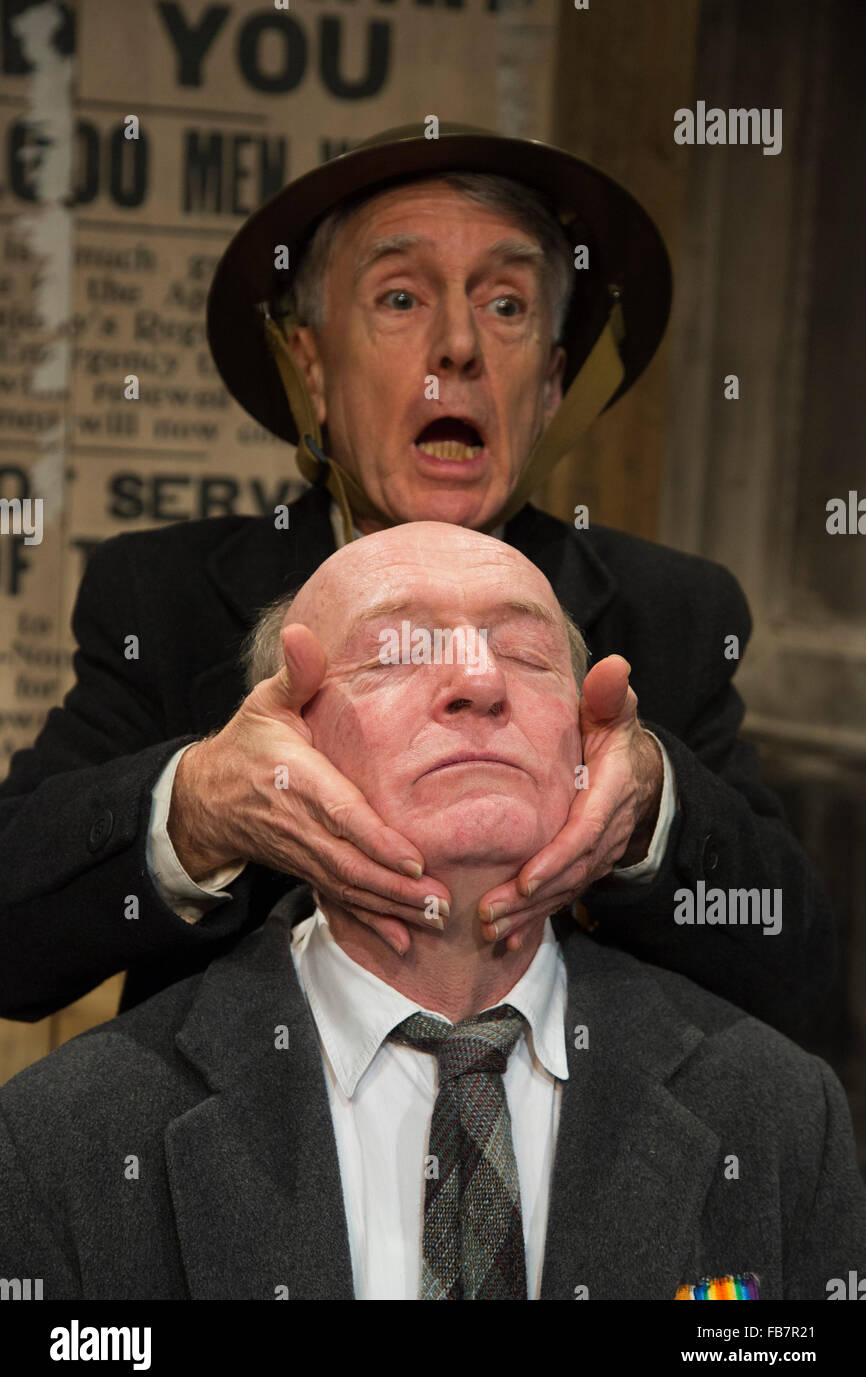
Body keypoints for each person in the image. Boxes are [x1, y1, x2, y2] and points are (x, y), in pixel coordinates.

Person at [0, 123, 834, 1035]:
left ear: (551, 386)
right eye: (400, 297)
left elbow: (798, 981)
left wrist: (649, 813)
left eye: (507, 305)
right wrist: (199, 808)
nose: (460, 346)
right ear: (312, 369)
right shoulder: (163, 598)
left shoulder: (670, 612)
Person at [0, 523, 861, 1301]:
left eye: (525, 652)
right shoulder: (64, 1143)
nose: (480, 683)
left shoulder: (782, 1118)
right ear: (287, 746)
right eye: (398, 651)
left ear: (592, 741)